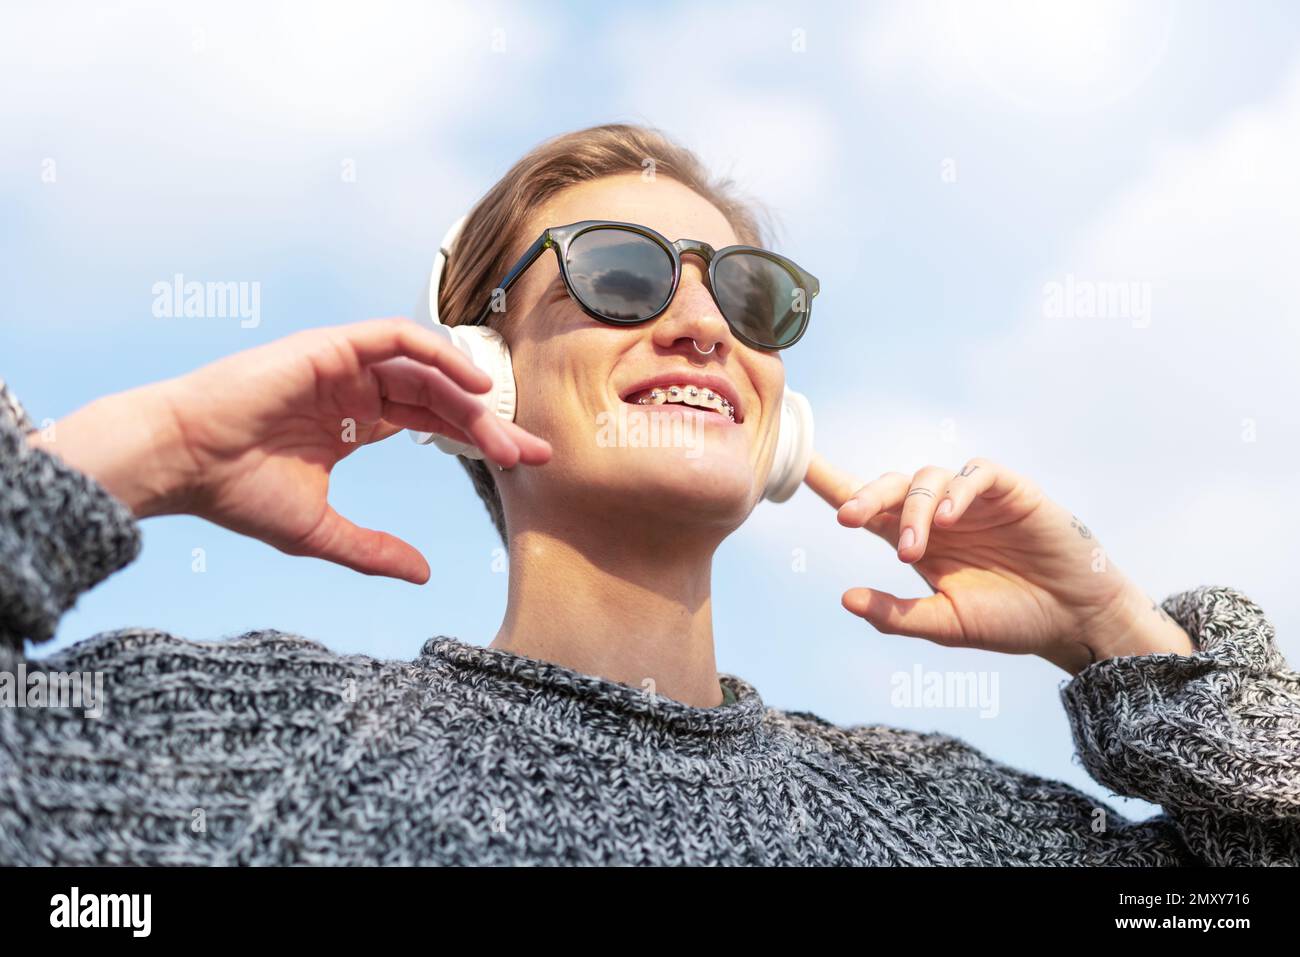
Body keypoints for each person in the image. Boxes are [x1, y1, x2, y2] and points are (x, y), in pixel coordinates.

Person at [2, 124, 1296, 865]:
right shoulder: (251, 758)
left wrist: (1113, 627)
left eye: (748, 294)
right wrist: (138, 448)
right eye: (621, 272)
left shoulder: (941, 821)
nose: (700, 322)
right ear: (481, 364)